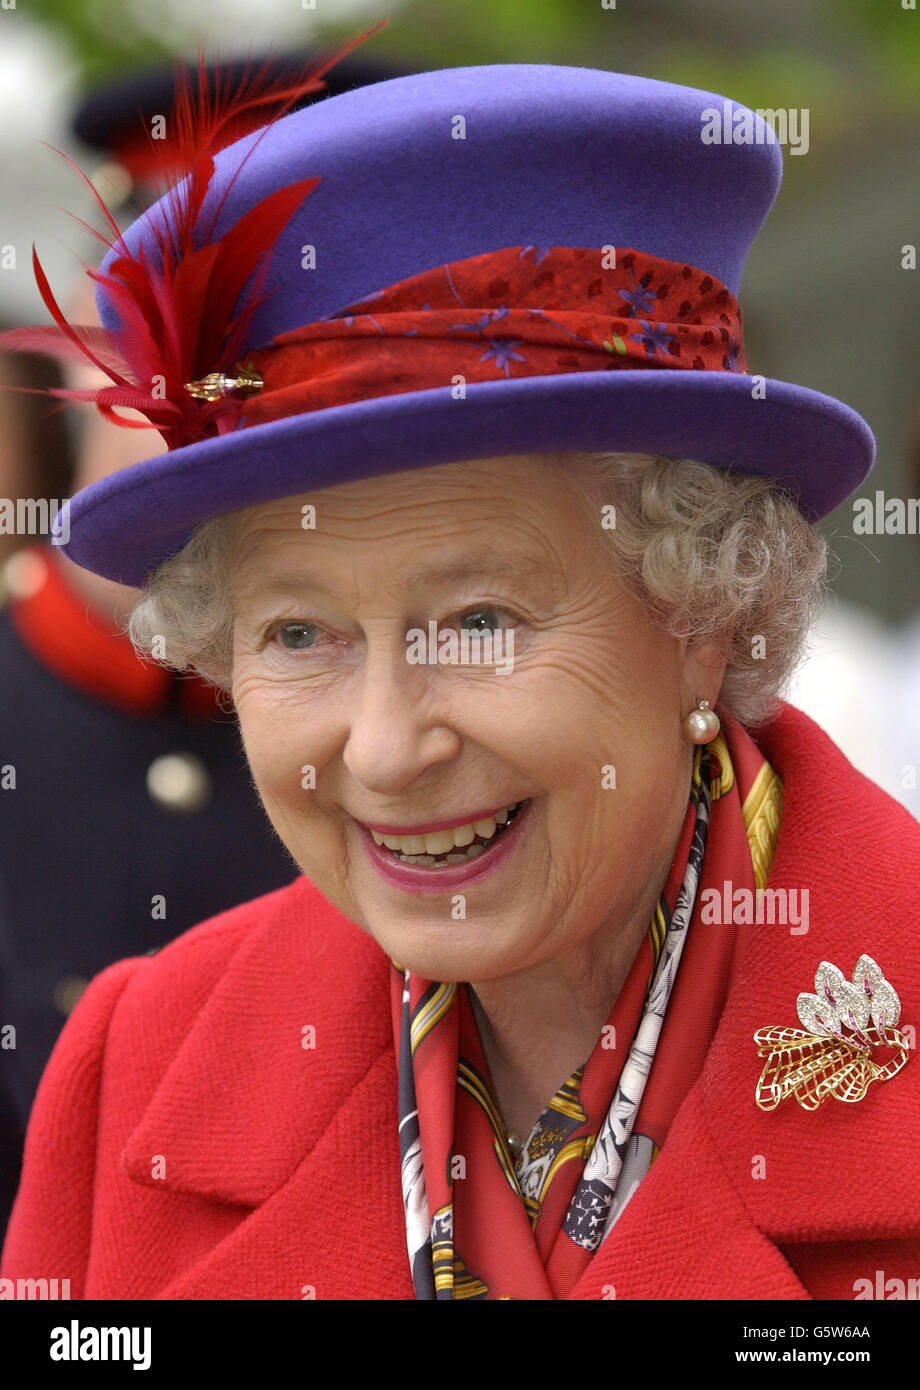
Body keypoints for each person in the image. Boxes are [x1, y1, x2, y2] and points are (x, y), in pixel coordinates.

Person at [2, 59, 918, 1302]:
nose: (381, 749)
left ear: (704, 613)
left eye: (477, 620)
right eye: (296, 635)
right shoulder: (137, 1067)